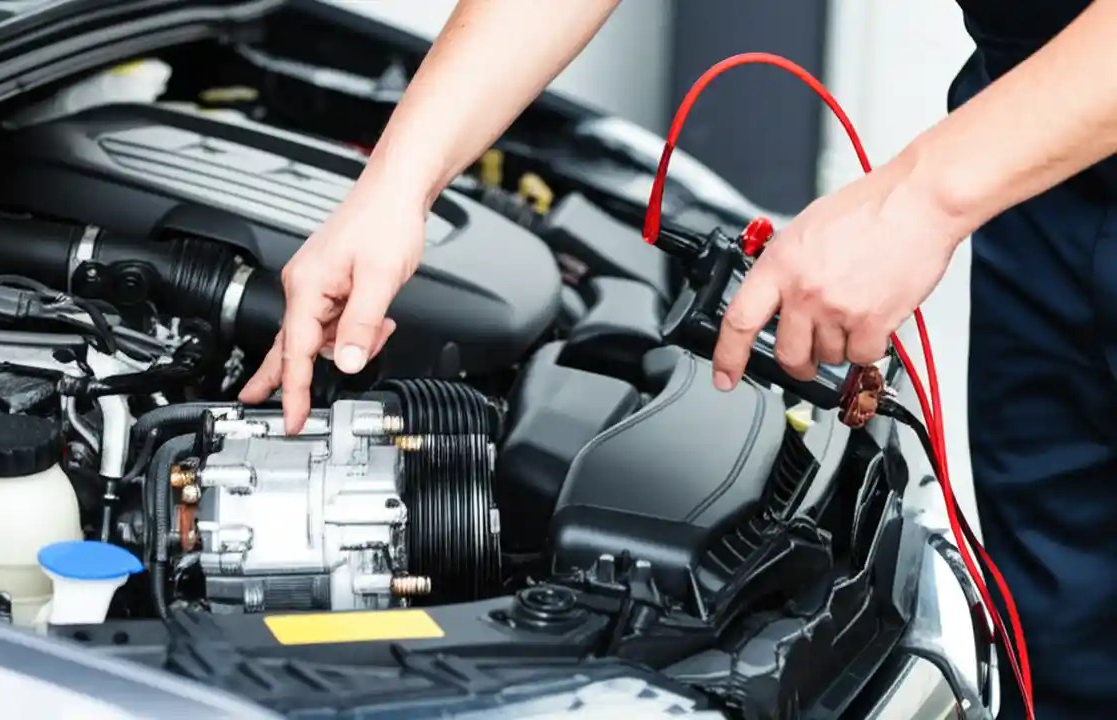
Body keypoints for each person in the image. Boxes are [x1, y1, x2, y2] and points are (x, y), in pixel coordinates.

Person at [239, 1, 1117, 715]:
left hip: (1046, 132)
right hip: (1045, 144)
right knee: (1065, 630)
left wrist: (925, 196)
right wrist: (397, 186)